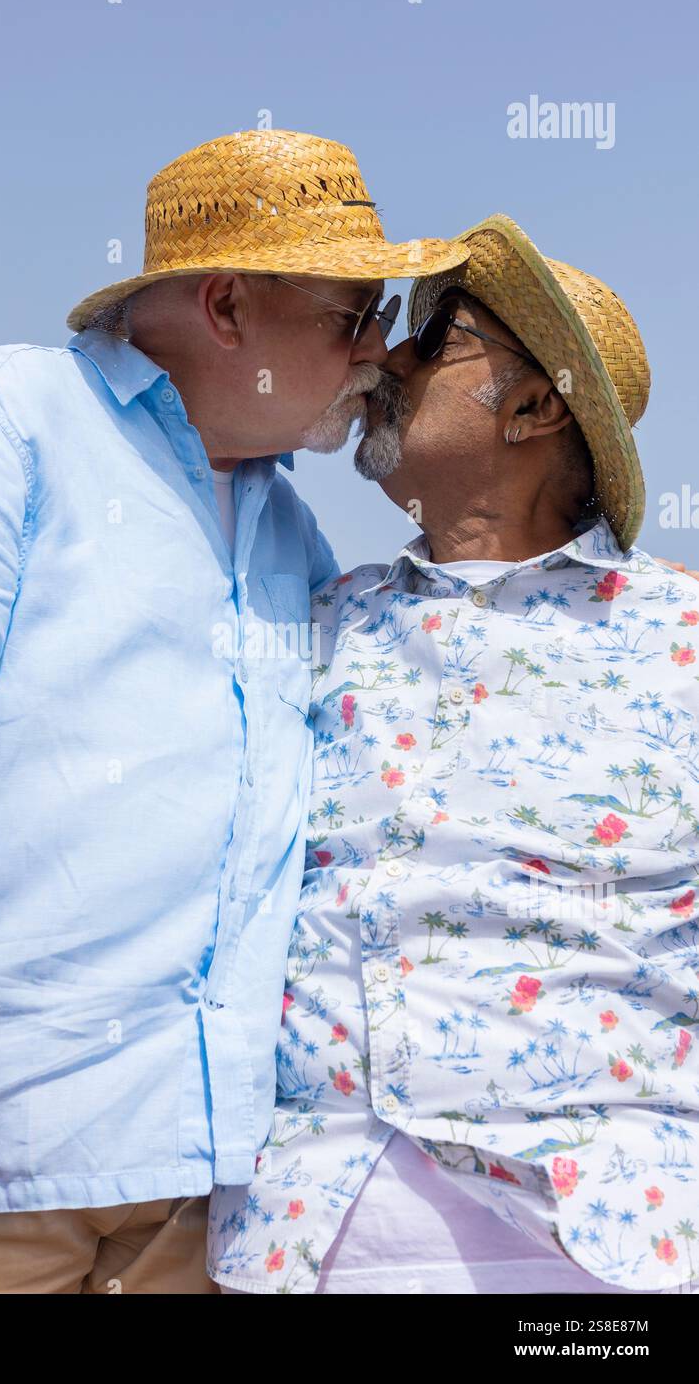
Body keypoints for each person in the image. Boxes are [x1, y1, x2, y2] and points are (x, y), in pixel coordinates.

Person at [0, 129, 462, 1295]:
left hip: (207, 1202)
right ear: (225, 307)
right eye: (351, 312)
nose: (376, 351)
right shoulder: (6, 417)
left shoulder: (292, 535)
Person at [208, 215, 699, 1295]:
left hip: (608, 1245)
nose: (380, 356)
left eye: (433, 340)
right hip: (296, 1241)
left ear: (532, 406)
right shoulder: (307, 626)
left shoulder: (680, 637)